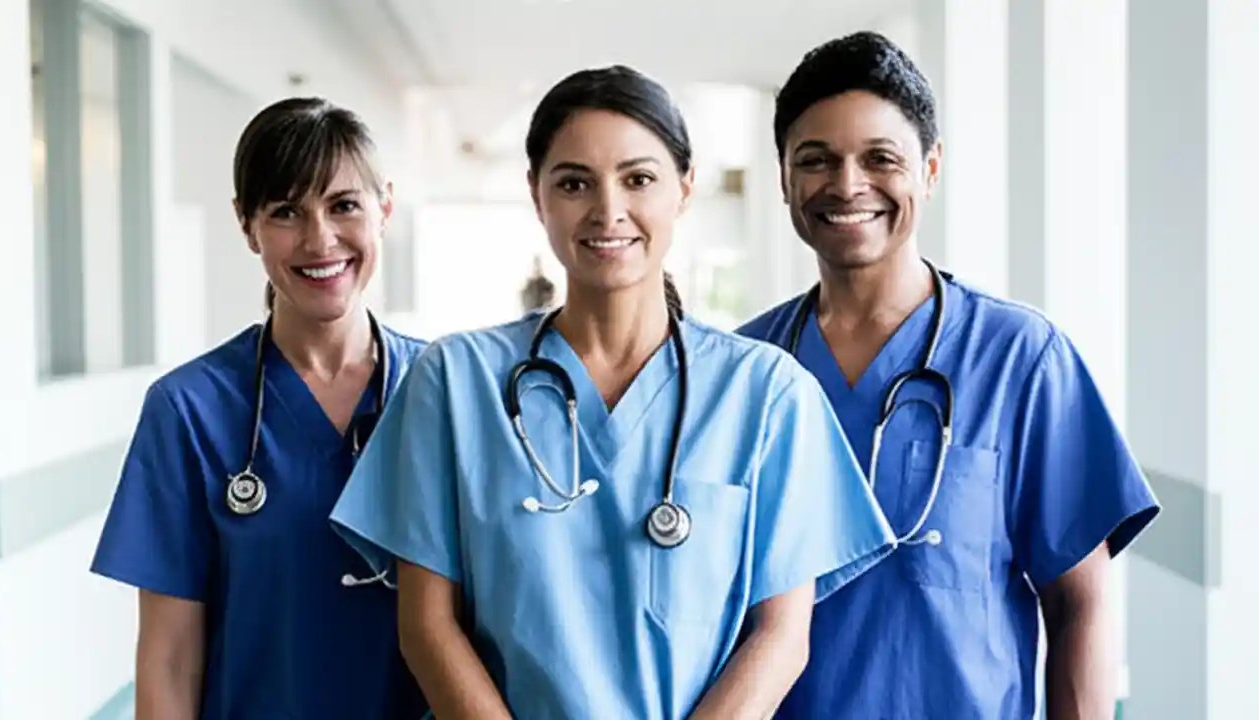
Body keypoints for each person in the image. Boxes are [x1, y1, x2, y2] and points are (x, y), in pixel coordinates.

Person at [328, 65, 895, 719]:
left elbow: (780, 637)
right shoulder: (456, 380)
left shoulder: (766, 393)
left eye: (638, 178)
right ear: (537, 197)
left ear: (684, 189)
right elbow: (427, 628)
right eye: (574, 182)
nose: (607, 209)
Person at [736, 31, 1162, 719]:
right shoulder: (744, 370)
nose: (848, 185)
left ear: (930, 169)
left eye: (881, 159)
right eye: (816, 160)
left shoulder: (1020, 357)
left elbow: (1079, 605)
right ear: (785, 178)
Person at [90, 97, 429, 719]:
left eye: (344, 205)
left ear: (384, 207)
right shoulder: (189, 410)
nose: (319, 238)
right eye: (285, 211)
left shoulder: (443, 392)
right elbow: (168, 657)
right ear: (247, 225)